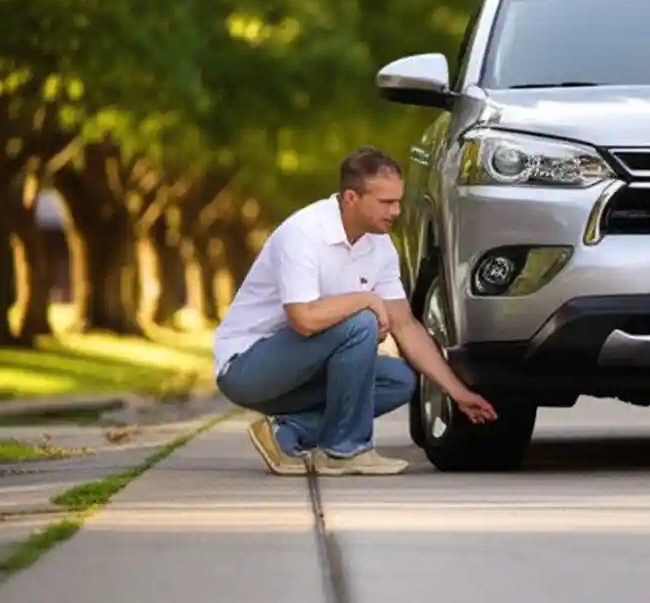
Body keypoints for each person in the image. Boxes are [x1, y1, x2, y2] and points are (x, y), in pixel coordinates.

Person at [212, 146, 497, 476]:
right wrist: (366, 299)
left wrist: (458, 392)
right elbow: (303, 319)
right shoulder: (303, 234)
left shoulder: (379, 246)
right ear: (351, 198)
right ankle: (345, 450)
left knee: (398, 381)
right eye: (386, 202)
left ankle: (287, 433)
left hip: (306, 371)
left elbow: (405, 326)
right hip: (249, 368)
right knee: (360, 322)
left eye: (398, 201)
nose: (396, 211)